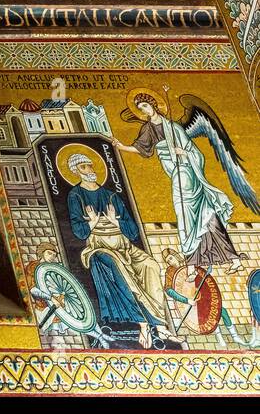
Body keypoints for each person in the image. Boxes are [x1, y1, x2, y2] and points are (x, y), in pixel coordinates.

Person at [116, 92, 247, 273]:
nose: (144, 111)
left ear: (153, 105)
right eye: (140, 109)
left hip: (188, 172)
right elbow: (141, 148)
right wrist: (122, 147)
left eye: (145, 106)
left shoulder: (174, 127)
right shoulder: (148, 129)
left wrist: (184, 153)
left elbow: (194, 152)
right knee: (186, 215)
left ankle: (229, 261)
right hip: (174, 172)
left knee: (202, 213)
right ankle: (196, 264)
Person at [62, 151, 176, 349]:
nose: (89, 169)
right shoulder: (75, 196)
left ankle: (160, 323)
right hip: (100, 247)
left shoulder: (110, 195)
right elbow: (78, 231)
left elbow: (132, 231)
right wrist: (94, 222)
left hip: (124, 245)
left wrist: (116, 221)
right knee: (119, 268)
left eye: (89, 165)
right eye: (83, 167)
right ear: (76, 171)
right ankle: (143, 324)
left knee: (151, 265)